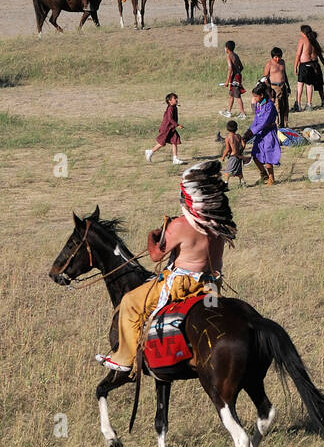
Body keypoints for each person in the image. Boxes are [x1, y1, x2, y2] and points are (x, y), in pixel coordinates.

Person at [94, 160, 235, 374]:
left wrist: (152, 237)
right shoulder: (220, 225)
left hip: (181, 284)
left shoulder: (179, 225)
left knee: (130, 302)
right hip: (210, 286)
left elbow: (154, 256)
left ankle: (124, 358)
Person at [244, 82, 281, 185]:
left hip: (269, 133)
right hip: (260, 133)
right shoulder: (259, 105)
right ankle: (263, 174)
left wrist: (251, 133)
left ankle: (271, 178)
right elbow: (256, 121)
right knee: (255, 154)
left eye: (256, 96)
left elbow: (264, 123)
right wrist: (247, 133)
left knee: (268, 155)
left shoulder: (270, 106)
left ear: (262, 95)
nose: (254, 99)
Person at [293, 25, 324, 111]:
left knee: (300, 84)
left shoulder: (302, 40)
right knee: (309, 85)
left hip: (305, 65)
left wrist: (295, 66)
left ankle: (298, 104)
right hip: (314, 64)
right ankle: (309, 104)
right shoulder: (313, 40)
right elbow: (320, 55)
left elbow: (298, 54)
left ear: (303, 32)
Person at [146, 93, 183, 165]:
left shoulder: (174, 107)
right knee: (162, 143)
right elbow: (170, 119)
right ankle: (150, 151)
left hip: (171, 128)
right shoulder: (170, 108)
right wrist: (177, 125)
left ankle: (175, 159)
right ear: (170, 101)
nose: (176, 99)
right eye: (174, 98)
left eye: (176, 98)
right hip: (166, 128)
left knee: (175, 140)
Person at [263, 48, 291, 126]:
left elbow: (284, 74)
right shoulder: (269, 64)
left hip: (283, 86)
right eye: (275, 57)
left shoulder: (282, 62)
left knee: (285, 106)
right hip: (274, 87)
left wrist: (288, 86)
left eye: (279, 57)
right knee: (277, 107)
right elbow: (265, 78)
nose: (277, 59)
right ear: (272, 57)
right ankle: (277, 124)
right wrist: (269, 89)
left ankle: (285, 124)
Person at [220, 40, 246, 120]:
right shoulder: (236, 55)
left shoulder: (229, 56)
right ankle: (228, 112)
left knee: (237, 95)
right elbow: (241, 67)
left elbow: (230, 69)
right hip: (237, 76)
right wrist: (238, 73)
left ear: (227, 48)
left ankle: (243, 114)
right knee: (231, 94)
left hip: (235, 77)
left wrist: (227, 81)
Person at [220, 120, 246, 187]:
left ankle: (225, 185)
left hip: (233, 156)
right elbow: (243, 144)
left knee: (227, 172)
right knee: (239, 171)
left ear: (227, 128)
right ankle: (243, 184)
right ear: (236, 128)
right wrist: (240, 151)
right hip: (239, 156)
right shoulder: (238, 136)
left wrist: (223, 156)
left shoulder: (228, 138)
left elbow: (228, 148)